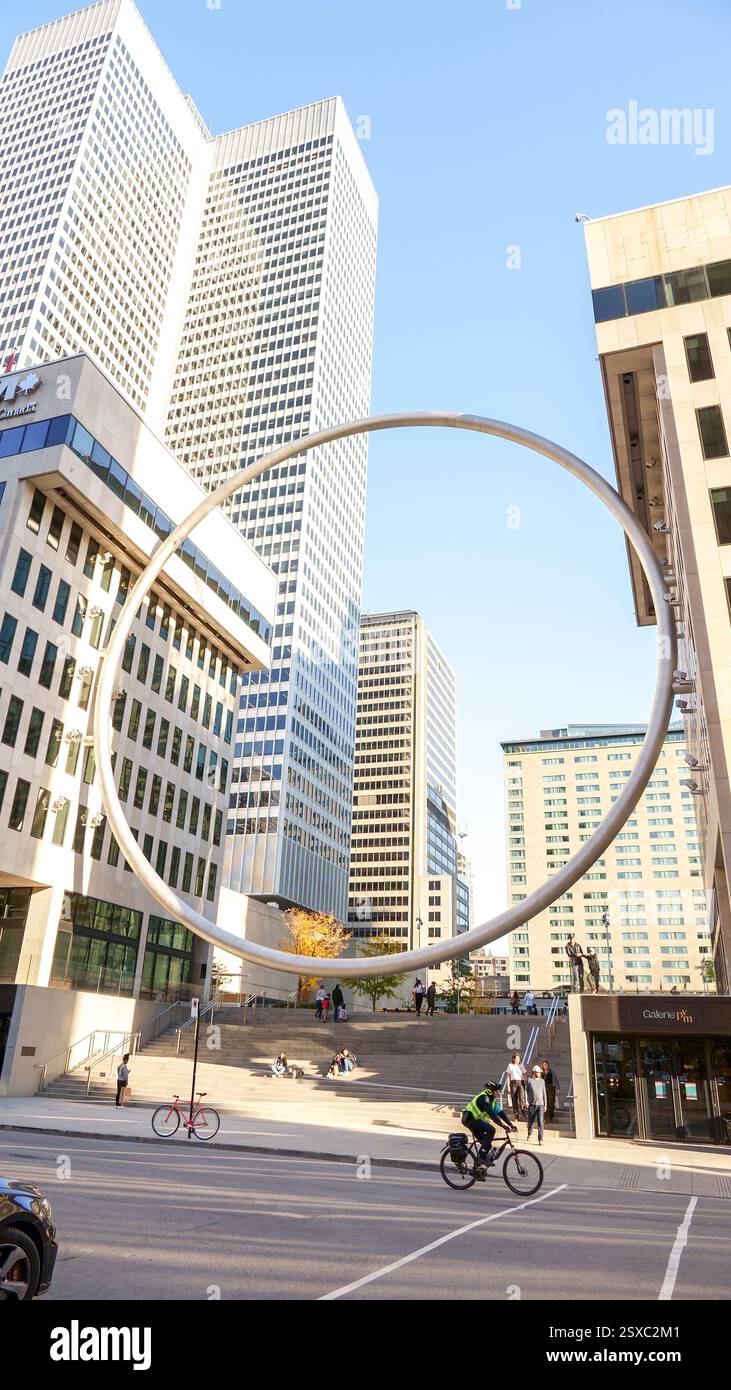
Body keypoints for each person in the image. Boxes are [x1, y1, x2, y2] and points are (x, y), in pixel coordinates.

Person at [462, 1080, 517, 1166]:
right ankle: (483, 1157)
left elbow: (500, 1113)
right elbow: (492, 1114)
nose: (498, 1093)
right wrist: (502, 1125)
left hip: (475, 1121)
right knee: (491, 1130)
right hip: (470, 1119)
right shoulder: (484, 1098)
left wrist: (510, 1124)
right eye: (496, 1091)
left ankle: (477, 1170)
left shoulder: (492, 1101)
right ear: (489, 1091)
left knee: (487, 1144)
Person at [526, 1065, 546, 1145]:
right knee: (530, 1121)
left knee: (540, 1122)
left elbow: (544, 1093)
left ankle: (540, 1139)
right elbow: (525, 1091)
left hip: (540, 1104)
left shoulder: (542, 1081)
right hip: (531, 1104)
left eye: (540, 1072)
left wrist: (545, 1105)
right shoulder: (529, 1080)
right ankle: (529, 1134)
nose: (539, 1073)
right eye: (538, 1072)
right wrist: (526, 1101)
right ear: (534, 1072)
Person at [506, 1051, 527, 1119]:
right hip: (513, 1082)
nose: (518, 1060)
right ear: (513, 1059)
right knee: (514, 1098)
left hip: (521, 1082)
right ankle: (516, 1113)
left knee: (522, 1098)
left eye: (519, 1059)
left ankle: (523, 1111)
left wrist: (526, 1081)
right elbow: (508, 1076)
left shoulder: (521, 1065)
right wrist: (508, 1086)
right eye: (517, 1059)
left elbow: (524, 1074)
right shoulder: (510, 1065)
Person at [540, 1058, 559, 1122]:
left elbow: (555, 1079)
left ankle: (551, 1116)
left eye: (546, 1065)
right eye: (544, 1065)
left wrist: (557, 1087)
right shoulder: (541, 1072)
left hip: (551, 1088)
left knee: (551, 1102)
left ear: (548, 1065)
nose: (545, 1066)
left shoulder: (551, 1071)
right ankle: (546, 1117)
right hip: (544, 1088)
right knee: (545, 1103)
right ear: (542, 1065)